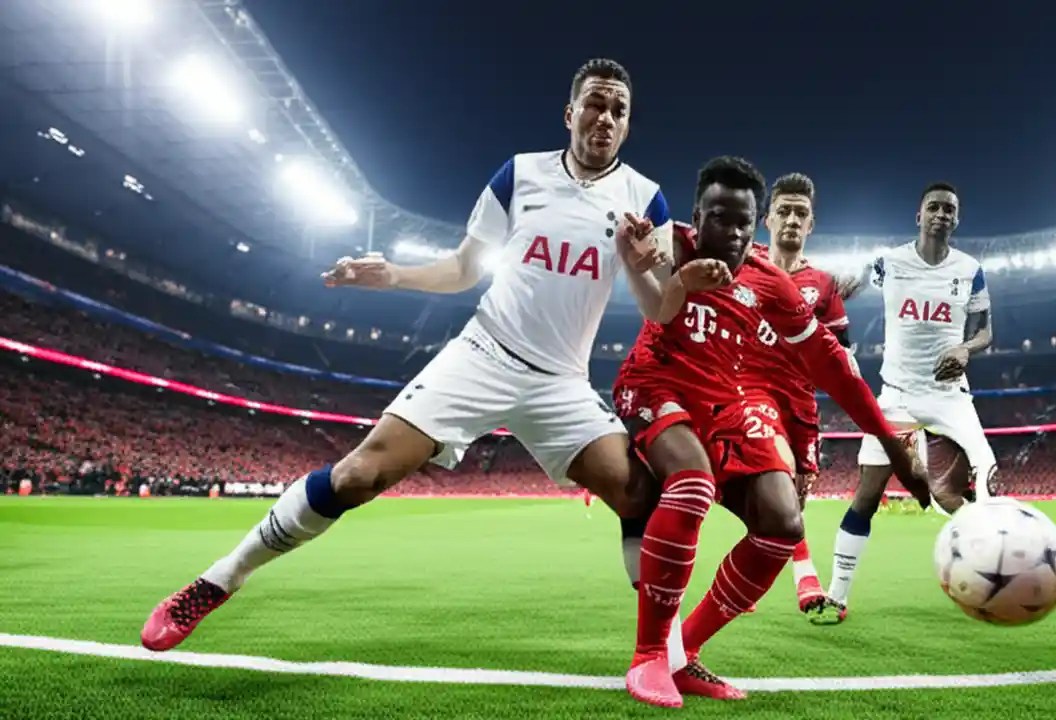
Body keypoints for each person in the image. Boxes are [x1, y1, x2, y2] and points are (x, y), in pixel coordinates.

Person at [140, 58, 683, 654]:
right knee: (356, 475)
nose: (604, 118)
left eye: (618, 110)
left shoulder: (645, 199)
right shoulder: (520, 175)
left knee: (642, 495)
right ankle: (218, 579)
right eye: (595, 104)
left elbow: (657, 310)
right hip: (485, 352)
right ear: (570, 112)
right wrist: (394, 274)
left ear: (628, 125)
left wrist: (642, 265)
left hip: (560, 381)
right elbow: (465, 269)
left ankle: (663, 654)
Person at [613, 157, 928, 708]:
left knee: (783, 525)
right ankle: (647, 656)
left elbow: (834, 367)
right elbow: (638, 268)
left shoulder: (772, 283)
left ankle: (682, 653)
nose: (731, 234)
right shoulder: (672, 245)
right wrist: (641, 254)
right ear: (696, 216)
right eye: (718, 219)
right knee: (691, 485)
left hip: (728, 401)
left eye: (742, 223)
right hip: (656, 383)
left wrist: (896, 451)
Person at [816, 181, 995, 626]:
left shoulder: (970, 268)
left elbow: (986, 332)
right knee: (867, 495)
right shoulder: (889, 262)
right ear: (918, 216)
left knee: (976, 493)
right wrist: (836, 288)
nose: (941, 214)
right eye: (933, 207)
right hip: (895, 396)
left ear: (957, 219)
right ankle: (836, 598)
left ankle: (994, 576)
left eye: (949, 209)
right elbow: (850, 284)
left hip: (949, 396)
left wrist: (965, 349)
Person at [738, 172, 851, 618]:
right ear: (766, 219)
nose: (790, 220)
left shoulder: (823, 285)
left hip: (799, 405)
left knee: (787, 505)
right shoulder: (742, 264)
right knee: (777, 477)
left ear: (811, 224)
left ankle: (745, 578)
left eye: (800, 213)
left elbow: (840, 355)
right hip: (744, 394)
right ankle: (806, 578)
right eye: (782, 211)